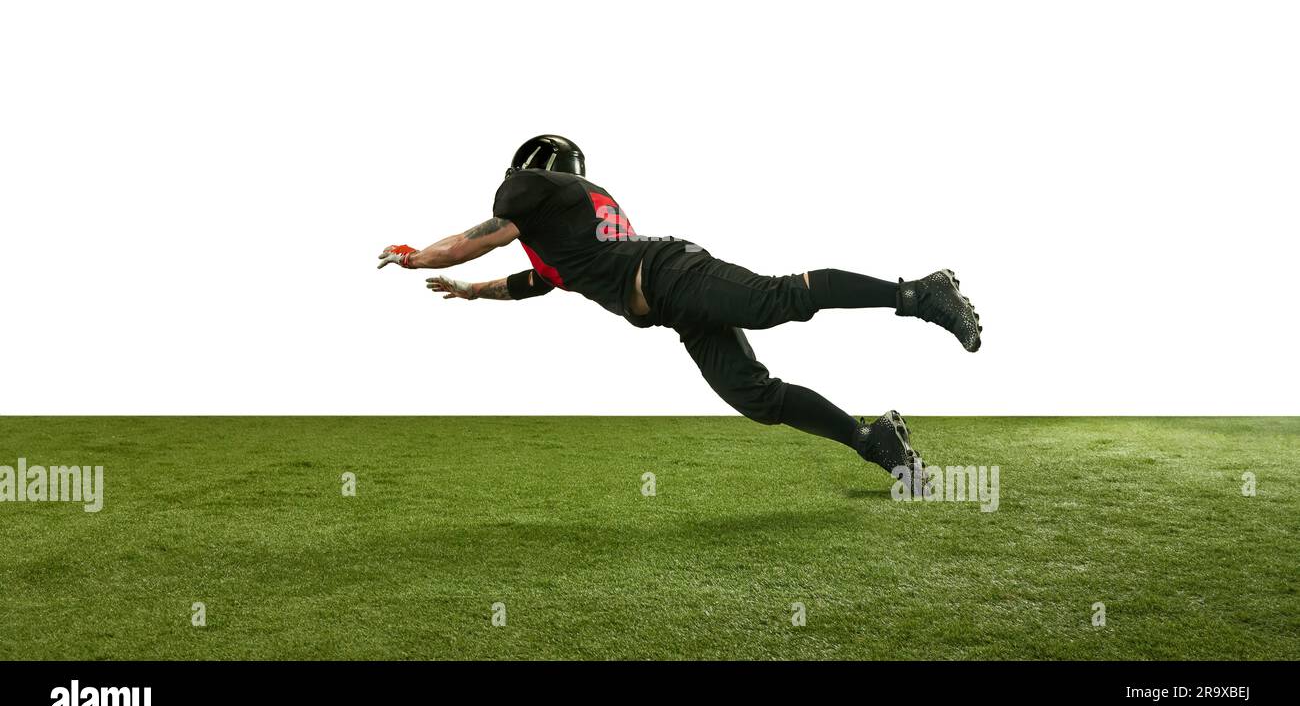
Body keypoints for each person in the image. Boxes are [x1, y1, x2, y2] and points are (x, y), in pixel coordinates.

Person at [378, 134, 981, 484]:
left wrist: (417, 258)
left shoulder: (531, 191)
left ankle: (918, 294)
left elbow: (469, 241)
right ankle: (875, 442)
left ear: (533, 176)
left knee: (777, 300)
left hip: (671, 274)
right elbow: (534, 281)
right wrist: (471, 293)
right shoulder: (570, 234)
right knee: (756, 397)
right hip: (672, 299)